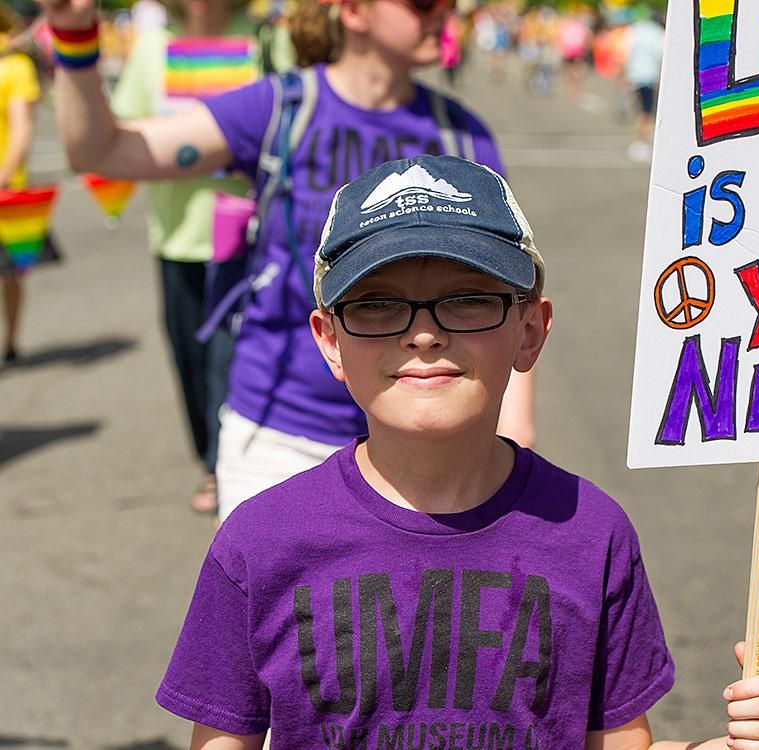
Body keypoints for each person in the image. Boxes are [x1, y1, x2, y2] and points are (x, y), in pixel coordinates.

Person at [149, 153, 759, 749]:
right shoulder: (260, 542)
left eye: (468, 300)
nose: (423, 335)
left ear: (530, 330)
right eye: (377, 306)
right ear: (330, 341)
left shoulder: (591, 533)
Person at [42, 0, 536, 523]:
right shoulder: (281, 107)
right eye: (422, 4)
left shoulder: (462, 135)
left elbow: (508, 283)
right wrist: (73, 33)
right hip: (281, 439)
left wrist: (513, 430)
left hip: (427, 448)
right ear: (354, 11)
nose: (443, 13)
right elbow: (103, 152)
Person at [110, 0, 294, 513]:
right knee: (190, 360)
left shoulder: (266, 39)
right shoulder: (153, 45)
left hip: (252, 238)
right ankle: (207, 458)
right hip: (178, 237)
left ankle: (224, 466)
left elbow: (295, 122)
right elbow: (120, 135)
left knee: (229, 361)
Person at [0, 0, 42, 367]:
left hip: (6, 188)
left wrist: (3, 175)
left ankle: (10, 340)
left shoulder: (14, 65)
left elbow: (22, 128)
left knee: (9, 272)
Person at [624, 10, 664, 163]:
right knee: (646, 112)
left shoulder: (636, 31)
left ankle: (640, 141)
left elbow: (627, 51)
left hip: (635, 75)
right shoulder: (657, 34)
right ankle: (640, 142)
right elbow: (661, 55)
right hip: (649, 76)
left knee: (641, 110)